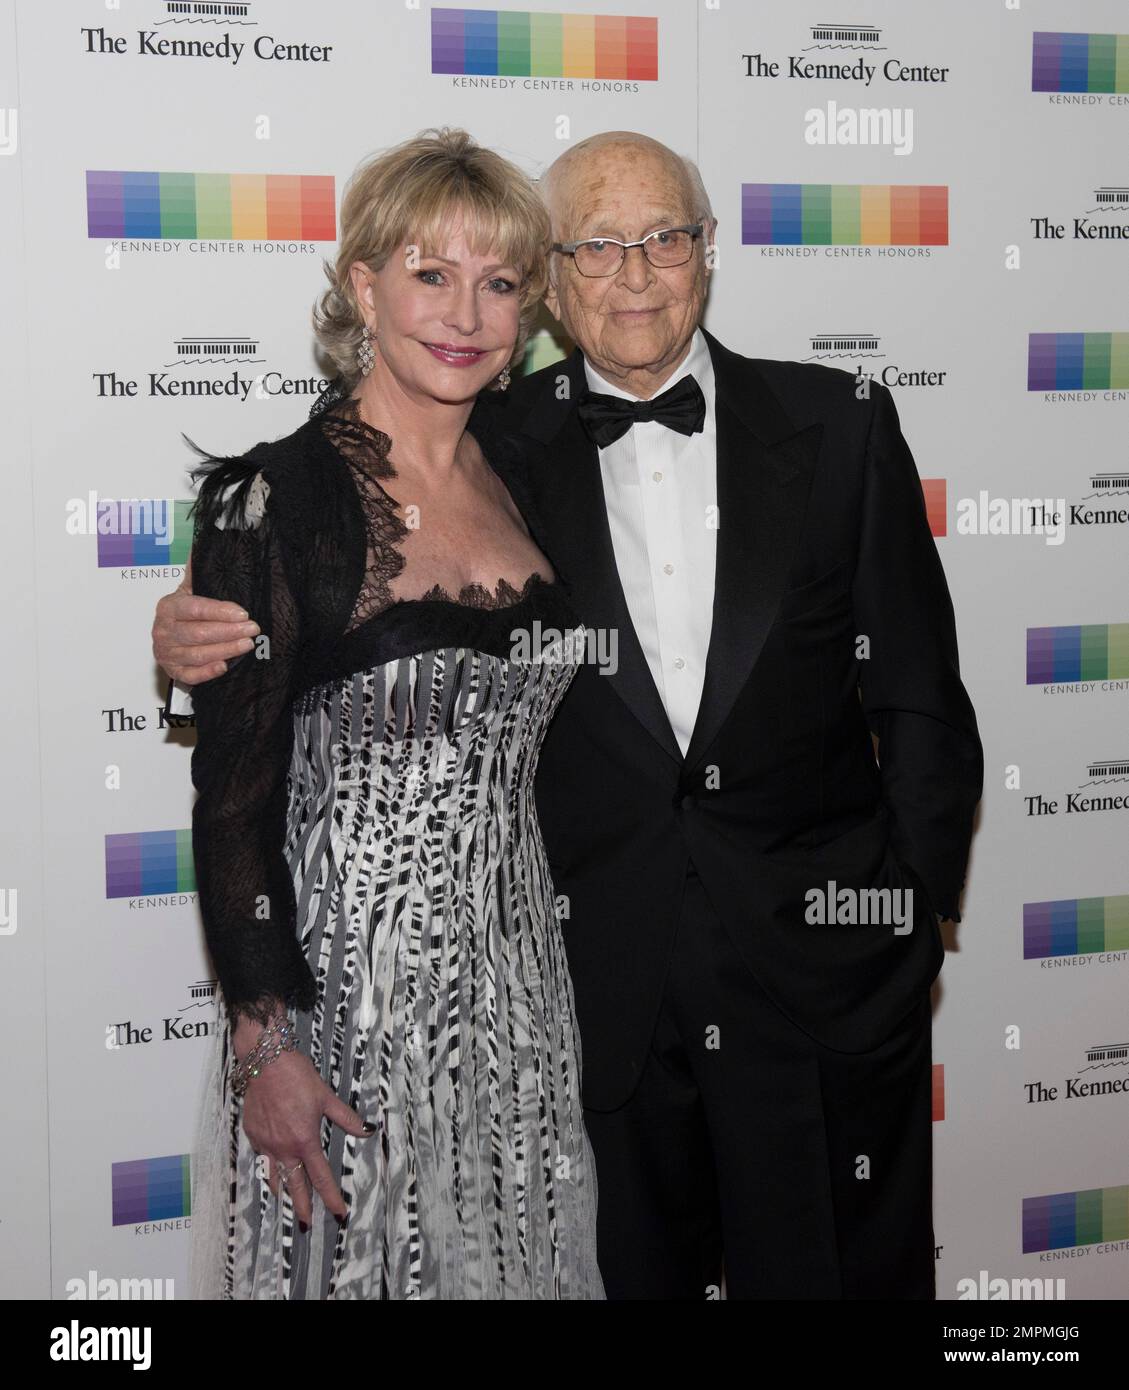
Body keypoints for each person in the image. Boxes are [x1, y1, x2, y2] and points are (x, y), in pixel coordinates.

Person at [158, 130, 983, 1299]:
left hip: (814, 986)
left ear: (708, 251)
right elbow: (301, 588)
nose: (635, 275)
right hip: (590, 1008)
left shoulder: (838, 423)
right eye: (598, 246)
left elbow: (919, 694)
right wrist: (188, 628)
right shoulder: (502, 435)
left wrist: (905, 924)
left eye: (664, 239)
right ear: (558, 277)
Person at [182, 127, 604, 1300]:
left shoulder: (525, 467)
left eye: (500, 281)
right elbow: (233, 803)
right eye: (430, 273)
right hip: (347, 1002)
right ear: (362, 286)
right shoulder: (280, 498)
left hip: (519, 989)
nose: (465, 311)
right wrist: (263, 1041)